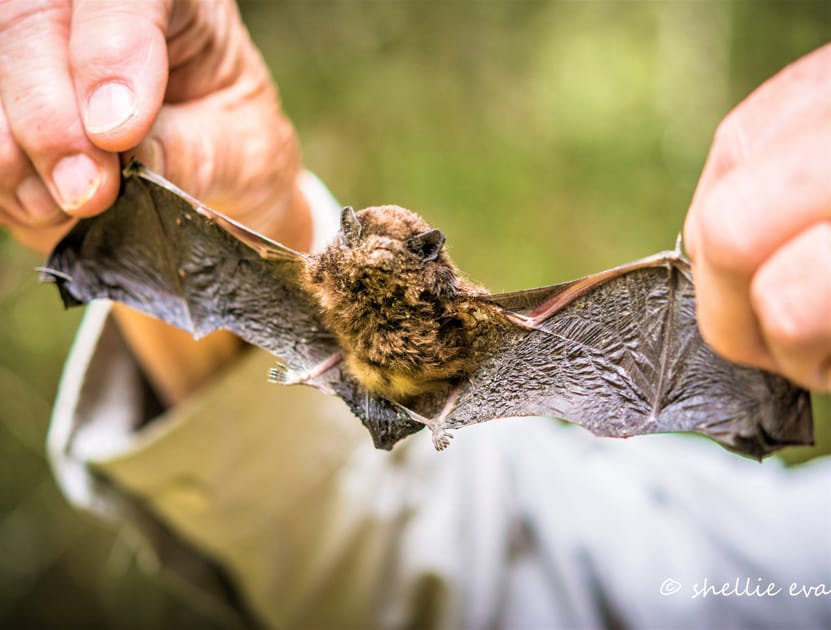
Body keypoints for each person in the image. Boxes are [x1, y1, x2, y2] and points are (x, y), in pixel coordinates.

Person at [1, 2, 829, 628]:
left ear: (430, 256)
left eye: (379, 238)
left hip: (431, 378)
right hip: (352, 371)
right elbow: (511, 572)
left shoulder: (479, 323)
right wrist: (247, 207)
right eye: (351, 229)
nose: (356, 237)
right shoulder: (315, 276)